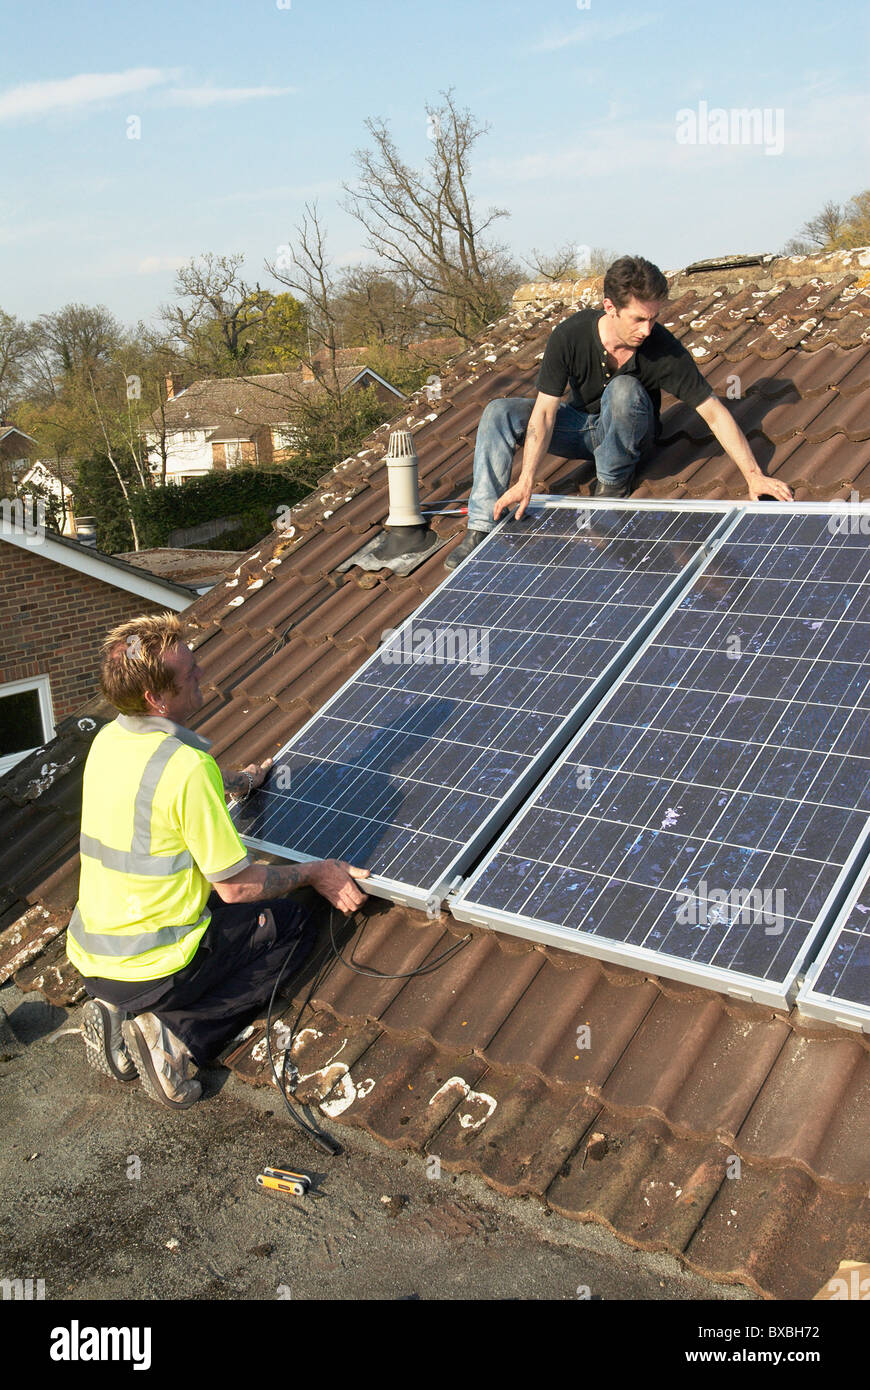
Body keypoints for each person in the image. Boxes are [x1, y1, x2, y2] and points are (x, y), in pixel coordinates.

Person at [67, 612, 369, 1109]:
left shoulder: (108, 740)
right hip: (156, 965)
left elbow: (156, 786)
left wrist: (238, 782)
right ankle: (175, 1039)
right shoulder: (187, 769)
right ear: (156, 699)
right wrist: (317, 871)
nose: (202, 674)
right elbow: (237, 887)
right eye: (190, 674)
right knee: (292, 923)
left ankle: (114, 1011)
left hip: (95, 958)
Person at [445, 255, 792, 568]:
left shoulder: (662, 349)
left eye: (654, 319)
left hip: (631, 435)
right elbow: (545, 414)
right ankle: (480, 529)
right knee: (498, 411)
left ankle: (610, 488)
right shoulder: (570, 336)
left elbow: (713, 412)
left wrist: (753, 475)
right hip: (583, 430)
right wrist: (525, 481)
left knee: (624, 389)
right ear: (610, 307)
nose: (647, 330)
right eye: (639, 319)